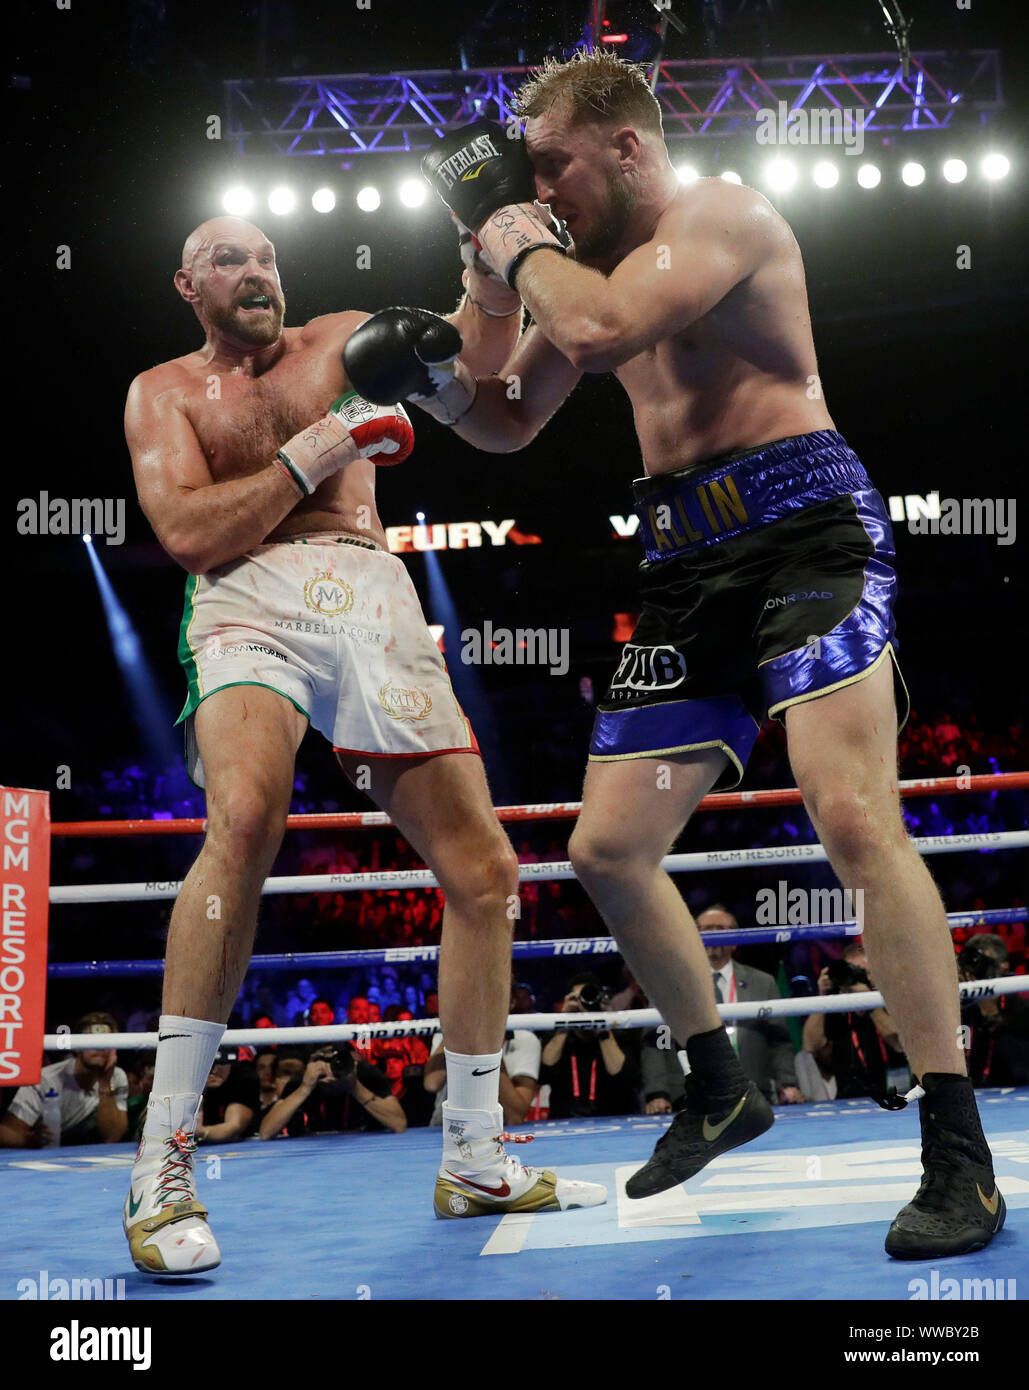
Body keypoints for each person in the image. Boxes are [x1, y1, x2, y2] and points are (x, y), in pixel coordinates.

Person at [345, 50, 1003, 1258]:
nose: (540, 187)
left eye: (553, 164)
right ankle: (717, 1081)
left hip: (807, 528)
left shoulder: (724, 216)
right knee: (607, 846)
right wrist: (436, 372)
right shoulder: (574, 262)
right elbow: (507, 416)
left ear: (629, 147)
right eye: (525, 171)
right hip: (685, 561)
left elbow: (593, 332)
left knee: (853, 817)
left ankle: (957, 1152)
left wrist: (507, 232)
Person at [121, 215, 605, 1275]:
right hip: (247, 598)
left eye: (265, 259)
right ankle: (161, 1165)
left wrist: (485, 272)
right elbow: (195, 535)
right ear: (186, 286)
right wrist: (324, 445)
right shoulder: (163, 393)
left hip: (367, 591)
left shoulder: (342, 338)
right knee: (246, 817)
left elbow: (477, 366)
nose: (256, 274)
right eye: (229, 262)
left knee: (485, 870)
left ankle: (475, 1153)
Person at [641, 906, 803, 1110]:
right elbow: (658, 1042)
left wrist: (787, 1084)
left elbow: (778, 1041)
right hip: (688, 1096)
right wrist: (658, 1093)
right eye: (707, 929)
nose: (713, 935)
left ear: (735, 940)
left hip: (752, 1093)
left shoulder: (763, 982)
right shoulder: (669, 983)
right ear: (693, 936)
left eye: (720, 929)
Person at [0, 1013, 129, 1148]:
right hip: (46, 1155)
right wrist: (29, 1140)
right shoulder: (46, 1079)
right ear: (76, 1047)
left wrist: (105, 1084)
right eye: (92, 1040)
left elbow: (112, 1136)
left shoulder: (117, 1077)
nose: (99, 1047)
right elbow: (8, 1132)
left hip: (88, 1156)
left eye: (106, 1042)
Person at [539, 975, 638, 1119]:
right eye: (577, 998)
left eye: (588, 997)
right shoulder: (558, 1036)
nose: (583, 1004)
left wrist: (600, 1023)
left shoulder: (618, 1036)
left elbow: (622, 1076)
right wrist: (565, 1021)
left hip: (613, 1118)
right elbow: (546, 1071)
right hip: (565, 1119)